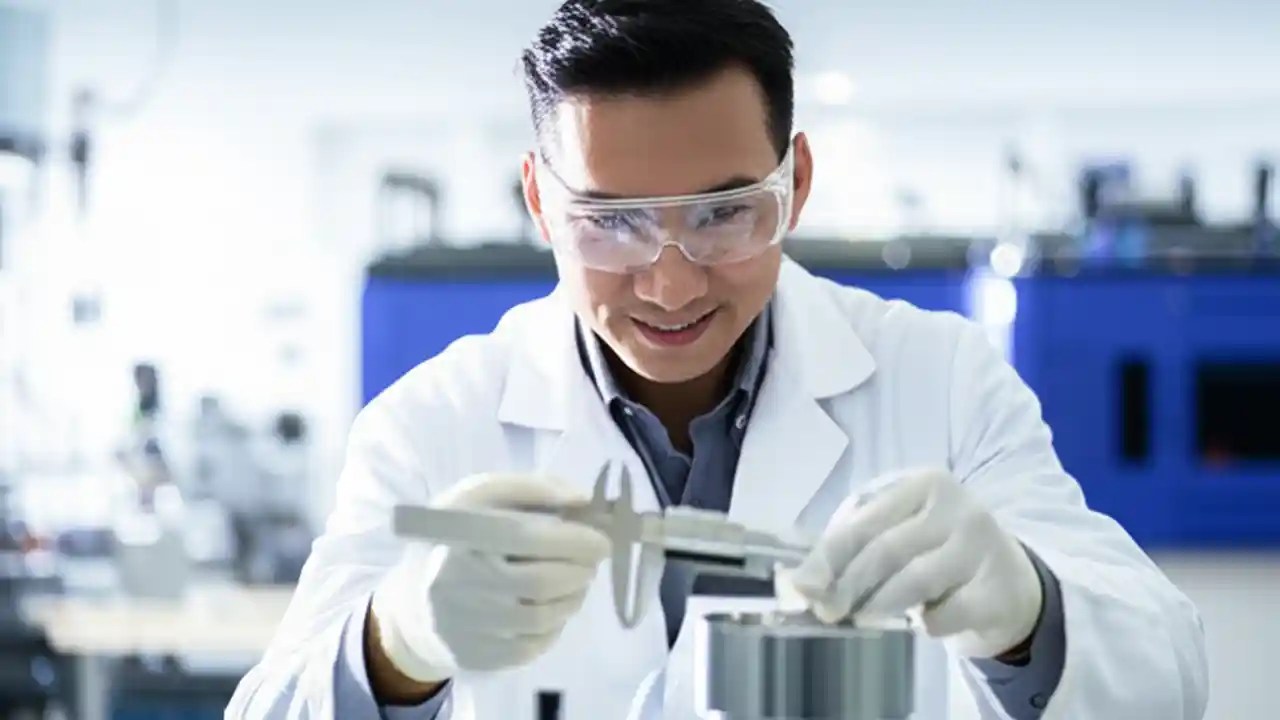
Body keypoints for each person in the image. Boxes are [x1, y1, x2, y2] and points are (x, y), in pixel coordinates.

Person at [228, 1, 1208, 718]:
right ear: (537, 203)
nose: (668, 284)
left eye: (722, 213)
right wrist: (394, 644)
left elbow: (1167, 679)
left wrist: (1026, 610)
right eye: (608, 224)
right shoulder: (429, 423)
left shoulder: (940, 382)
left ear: (797, 183)